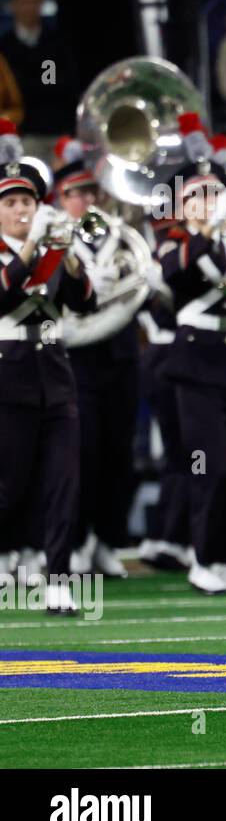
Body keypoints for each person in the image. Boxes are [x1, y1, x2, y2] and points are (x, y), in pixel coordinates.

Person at [157, 114, 226, 594]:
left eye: (213, 194)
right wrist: (206, 232)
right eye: (196, 196)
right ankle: (203, 556)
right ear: (181, 205)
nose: (206, 203)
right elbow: (177, 277)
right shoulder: (174, 243)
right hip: (196, 362)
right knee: (210, 462)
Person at [0, 120, 95, 613]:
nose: (22, 210)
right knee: (10, 483)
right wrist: (34, 250)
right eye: (11, 202)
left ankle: (58, 579)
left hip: (55, 375)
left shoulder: (53, 248)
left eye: (28, 202)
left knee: (62, 482)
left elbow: (84, 303)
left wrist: (71, 257)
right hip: (7, 373)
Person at [52, 141, 135, 580]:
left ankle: (106, 539)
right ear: (60, 200)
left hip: (119, 355)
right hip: (75, 358)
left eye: (90, 192)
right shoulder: (53, 241)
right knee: (83, 452)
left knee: (119, 454)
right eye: (74, 194)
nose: (85, 200)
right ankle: (78, 539)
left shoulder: (121, 237)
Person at [0, 0, 76, 134]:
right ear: (13, 5)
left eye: (35, 2)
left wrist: (30, 83)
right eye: (24, 2)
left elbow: (55, 83)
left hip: (55, 126)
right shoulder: (4, 47)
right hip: (18, 130)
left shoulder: (56, 43)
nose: (30, 8)